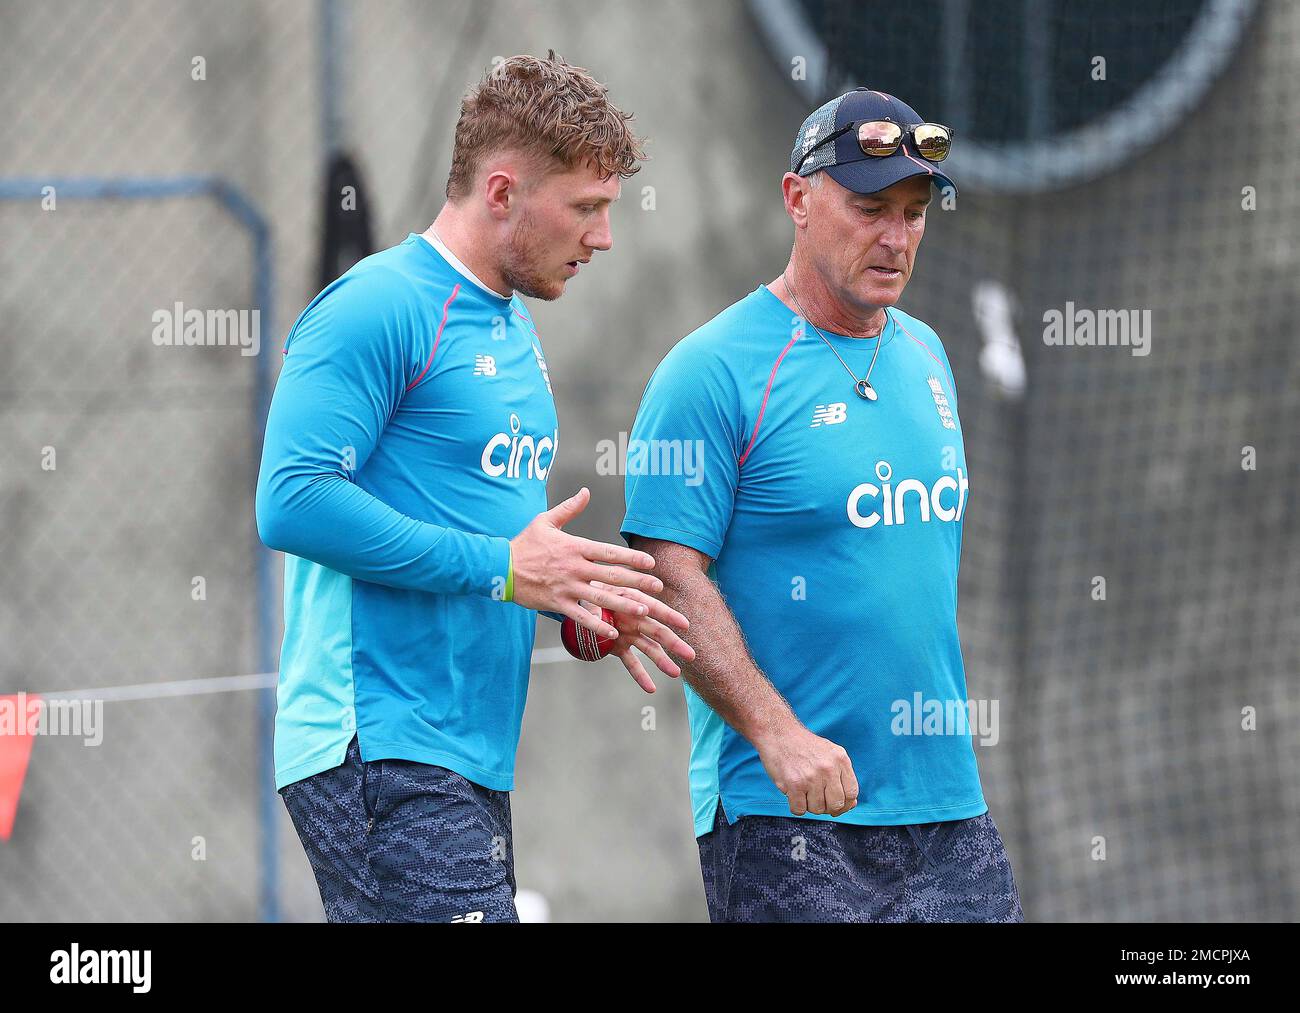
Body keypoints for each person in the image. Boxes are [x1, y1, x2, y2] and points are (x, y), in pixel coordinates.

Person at [256, 52, 693, 923]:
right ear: (501, 193)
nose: (604, 237)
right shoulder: (375, 304)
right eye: (586, 208)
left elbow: (494, 544)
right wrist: (504, 567)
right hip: (377, 740)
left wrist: (571, 598)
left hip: (467, 754)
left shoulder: (513, 326)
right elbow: (292, 498)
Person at [621, 87, 1022, 922]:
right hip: (789, 815)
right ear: (797, 199)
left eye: (915, 213)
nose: (896, 237)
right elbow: (667, 572)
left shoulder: (929, 355)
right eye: (871, 207)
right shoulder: (711, 371)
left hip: (948, 806)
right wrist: (777, 732)